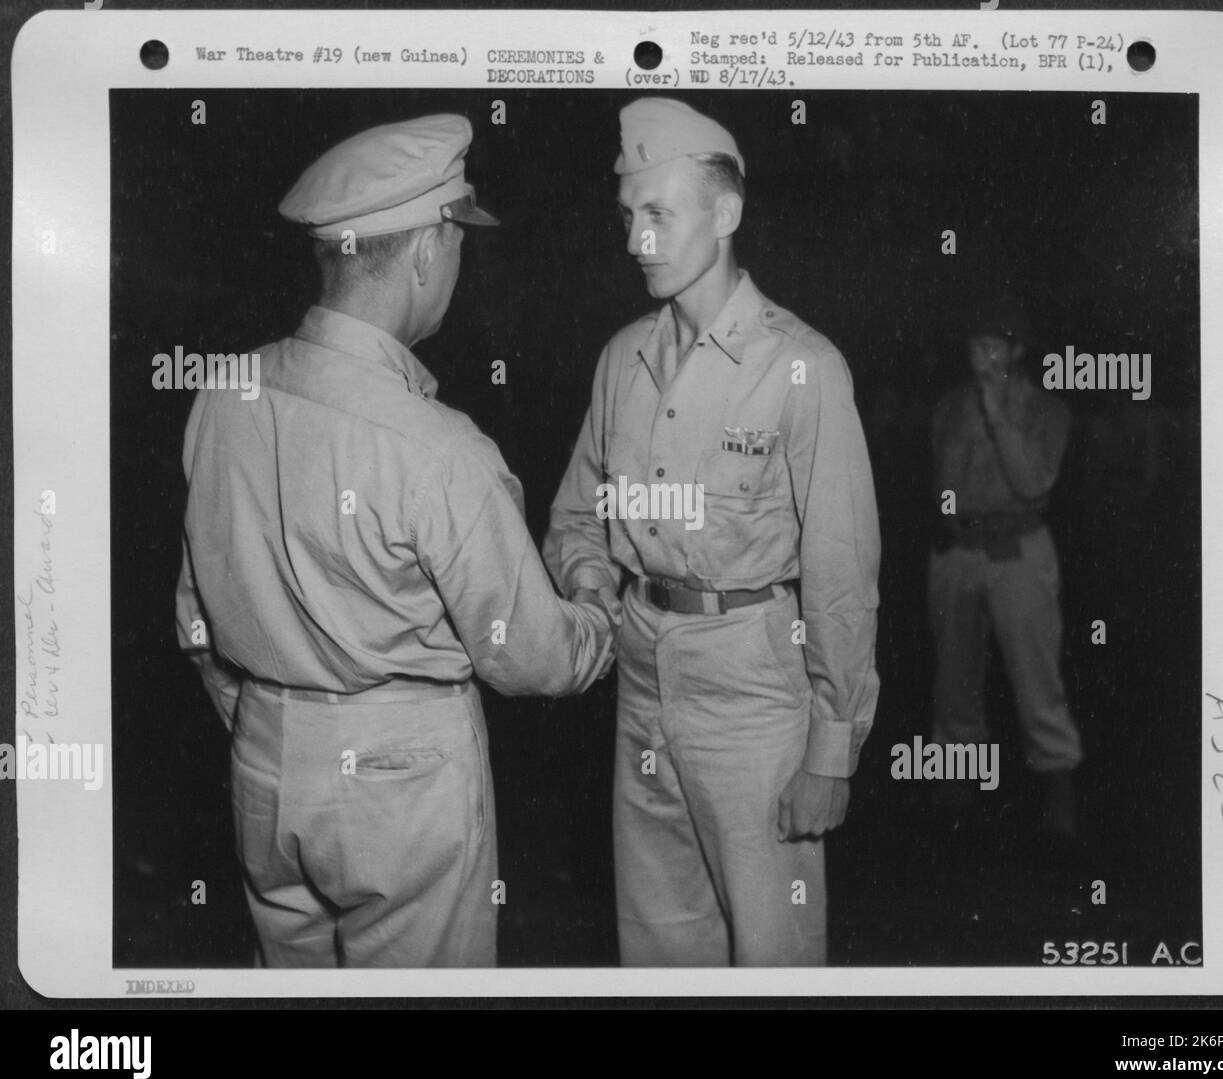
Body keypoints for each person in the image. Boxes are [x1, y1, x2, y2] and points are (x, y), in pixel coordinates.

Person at [175, 114, 617, 968]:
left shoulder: (223, 395)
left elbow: (196, 616)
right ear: (425, 253)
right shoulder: (438, 448)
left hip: (266, 770)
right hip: (401, 784)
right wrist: (602, 617)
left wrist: (276, 720)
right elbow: (529, 656)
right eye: (455, 243)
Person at [544, 98, 881, 966]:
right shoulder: (622, 360)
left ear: (725, 214)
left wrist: (830, 751)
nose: (635, 242)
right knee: (659, 950)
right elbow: (578, 517)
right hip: (640, 670)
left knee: (776, 958)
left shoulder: (801, 366)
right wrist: (589, 583)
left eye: (659, 213)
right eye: (628, 217)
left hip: (755, 691)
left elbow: (842, 573)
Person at [927, 302, 1081, 838]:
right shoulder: (949, 406)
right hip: (957, 555)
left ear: (1017, 351)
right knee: (953, 683)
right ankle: (956, 801)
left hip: (1019, 550)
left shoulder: (1046, 411)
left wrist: (997, 413)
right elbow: (940, 480)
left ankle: (1059, 807)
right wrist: (947, 529)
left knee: (1038, 683)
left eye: (993, 342)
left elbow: (1032, 482)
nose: (981, 353)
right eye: (975, 342)